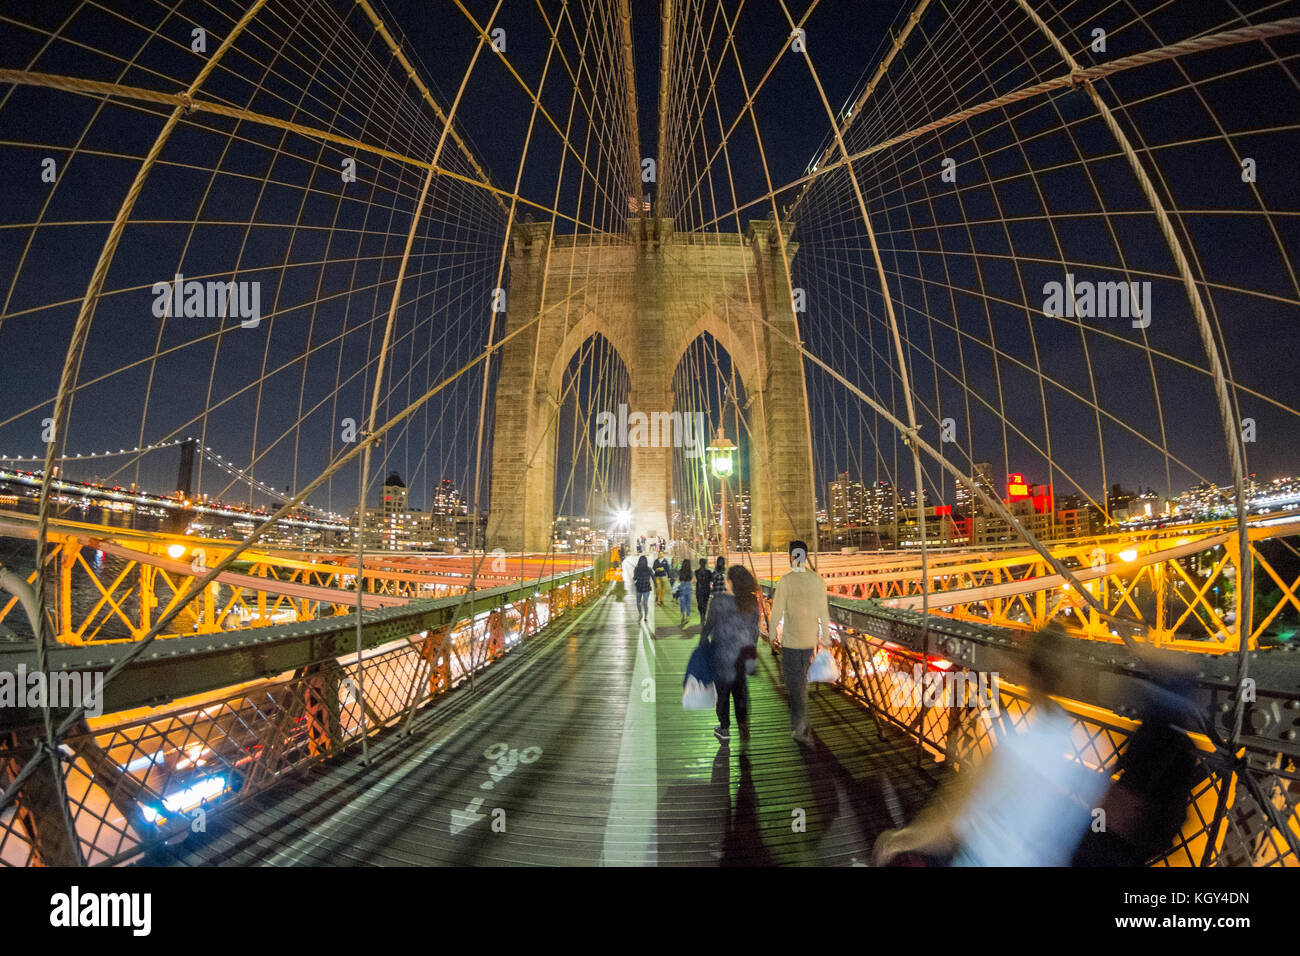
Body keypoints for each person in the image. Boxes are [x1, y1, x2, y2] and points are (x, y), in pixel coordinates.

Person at [873, 628, 1107, 867]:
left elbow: (949, 825)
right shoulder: (1092, 747)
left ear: (1028, 673)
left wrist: (896, 841)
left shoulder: (1010, 746)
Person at [769, 540, 833, 745]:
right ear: (805, 557)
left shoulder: (786, 581)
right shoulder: (817, 580)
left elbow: (777, 610)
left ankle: (800, 726)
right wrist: (825, 638)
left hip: (790, 642)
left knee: (794, 685)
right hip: (809, 641)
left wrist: (771, 635)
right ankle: (802, 721)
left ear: (790, 557)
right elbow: (823, 610)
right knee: (801, 683)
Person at [702, 565, 760, 743]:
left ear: (732, 582)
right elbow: (755, 631)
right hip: (741, 656)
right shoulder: (752, 601)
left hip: (721, 655)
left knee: (723, 694)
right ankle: (743, 724)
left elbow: (709, 624)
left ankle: (724, 728)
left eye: (727, 579)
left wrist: (704, 641)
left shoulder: (719, 600)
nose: (725, 581)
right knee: (740, 692)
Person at [632, 555, 653, 622]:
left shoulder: (636, 569)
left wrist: (635, 579)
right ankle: (646, 617)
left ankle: (640, 613)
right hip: (646, 588)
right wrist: (656, 584)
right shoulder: (649, 569)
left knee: (638, 602)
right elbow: (653, 577)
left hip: (639, 588)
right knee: (645, 603)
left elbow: (635, 578)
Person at [675, 559, 694, 626]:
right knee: (688, 603)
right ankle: (688, 616)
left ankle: (682, 614)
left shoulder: (680, 571)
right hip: (688, 587)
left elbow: (677, 580)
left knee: (682, 602)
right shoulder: (691, 572)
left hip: (682, 587)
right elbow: (692, 580)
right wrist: (688, 583)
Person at [695, 557, 713, 623]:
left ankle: (701, 615)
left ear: (699, 563)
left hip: (699, 590)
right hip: (706, 589)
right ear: (705, 564)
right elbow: (712, 580)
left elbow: (695, 580)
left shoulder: (696, 572)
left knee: (699, 604)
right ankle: (703, 616)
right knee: (705, 604)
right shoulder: (709, 572)